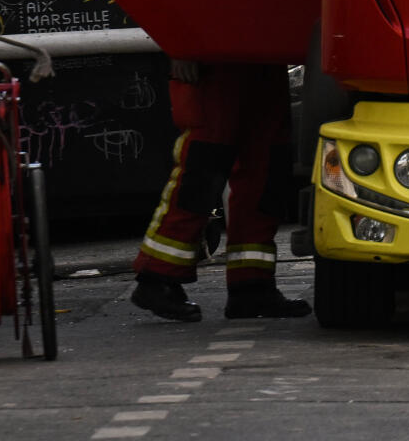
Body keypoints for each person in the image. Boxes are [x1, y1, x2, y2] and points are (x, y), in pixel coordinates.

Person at [130, 61, 311, 322]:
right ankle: (157, 279)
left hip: (264, 60)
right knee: (203, 169)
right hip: (214, 61)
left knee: (266, 174)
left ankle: (251, 286)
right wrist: (184, 49)